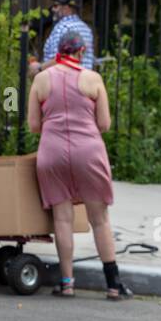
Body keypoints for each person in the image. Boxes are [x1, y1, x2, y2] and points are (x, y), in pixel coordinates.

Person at [27, 32, 132, 300]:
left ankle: (66, 283)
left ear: (58, 52)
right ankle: (113, 284)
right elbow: (105, 124)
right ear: (82, 51)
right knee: (100, 219)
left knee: (62, 218)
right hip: (89, 151)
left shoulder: (40, 79)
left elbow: (34, 126)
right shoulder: (92, 79)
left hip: (52, 151)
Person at [29, 0, 95, 77]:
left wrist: (38, 68)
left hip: (64, 82)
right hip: (85, 82)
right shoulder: (86, 29)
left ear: (67, 8)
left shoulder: (62, 27)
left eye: (56, 6)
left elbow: (58, 59)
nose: (53, 9)